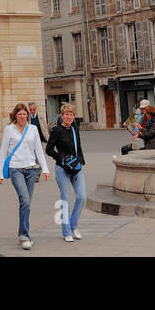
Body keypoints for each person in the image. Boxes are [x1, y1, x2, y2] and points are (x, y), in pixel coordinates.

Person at [0, 103, 50, 250]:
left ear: (27, 115)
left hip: (31, 169)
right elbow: (2, 152)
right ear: (15, 115)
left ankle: (22, 233)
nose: (22, 116)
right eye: (19, 114)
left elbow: (39, 150)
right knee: (25, 200)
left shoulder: (33, 129)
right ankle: (25, 236)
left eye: (24, 114)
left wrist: (45, 169)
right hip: (16, 169)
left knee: (26, 204)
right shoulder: (9, 130)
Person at [46, 102, 85, 242]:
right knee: (66, 199)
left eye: (71, 115)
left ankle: (74, 225)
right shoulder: (56, 130)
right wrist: (60, 158)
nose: (69, 117)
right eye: (67, 114)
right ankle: (67, 231)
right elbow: (49, 149)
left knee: (82, 197)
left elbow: (78, 147)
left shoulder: (75, 129)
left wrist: (80, 161)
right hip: (62, 168)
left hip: (76, 167)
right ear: (62, 116)